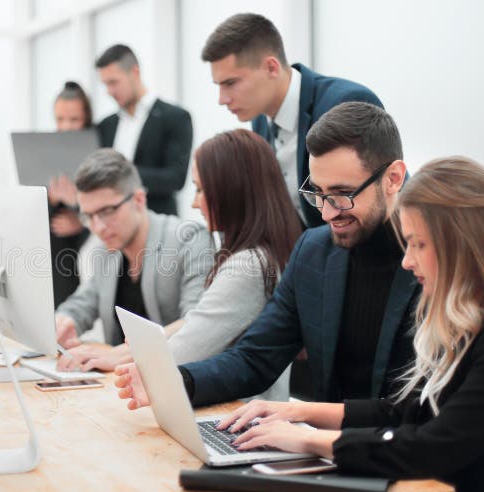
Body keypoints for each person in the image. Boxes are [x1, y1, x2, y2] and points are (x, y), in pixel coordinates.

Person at [207, 157, 484, 492]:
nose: (407, 261)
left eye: (418, 244)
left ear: (463, 243)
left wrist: (309, 439)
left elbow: (431, 446)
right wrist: (297, 411)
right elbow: (407, 411)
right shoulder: (472, 324)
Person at [115, 102, 416, 408]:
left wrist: (305, 421)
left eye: (341, 195)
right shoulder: (314, 252)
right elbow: (255, 358)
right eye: (318, 194)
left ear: (393, 179)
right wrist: (177, 382)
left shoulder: (434, 262)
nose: (326, 213)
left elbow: (420, 410)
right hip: (331, 448)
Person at [59, 130, 301, 400]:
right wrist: (65, 322)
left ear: (230, 190)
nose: (194, 203)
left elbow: (193, 335)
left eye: (200, 189)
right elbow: (195, 324)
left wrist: (122, 354)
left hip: (233, 412)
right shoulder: (246, 256)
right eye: (89, 216)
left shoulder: (245, 263)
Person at [201, 13, 383, 228]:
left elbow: (373, 206)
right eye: (219, 86)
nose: (222, 99)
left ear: (271, 68)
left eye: (230, 83)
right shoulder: (259, 119)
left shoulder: (345, 102)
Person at [54, 148, 211, 353]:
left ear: (138, 199)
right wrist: (65, 320)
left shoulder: (189, 238)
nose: (98, 227)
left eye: (107, 211)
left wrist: (117, 354)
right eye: (88, 216)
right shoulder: (105, 250)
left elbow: (198, 324)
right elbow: (85, 301)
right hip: (118, 379)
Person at [96, 44, 193, 215]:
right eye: (105, 84)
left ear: (135, 72)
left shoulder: (175, 117)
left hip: (157, 223)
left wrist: (121, 174)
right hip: (113, 227)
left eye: (114, 82)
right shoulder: (106, 125)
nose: (109, 91)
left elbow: (176, 178)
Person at [48, 81, 93, 308]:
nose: (66, 127)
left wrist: (80, 218)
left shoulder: (97, 151)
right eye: (60, 120)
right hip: (57, 255)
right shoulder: (44, 151)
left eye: (74, 120)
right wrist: (51, 199)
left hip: (88, 247)